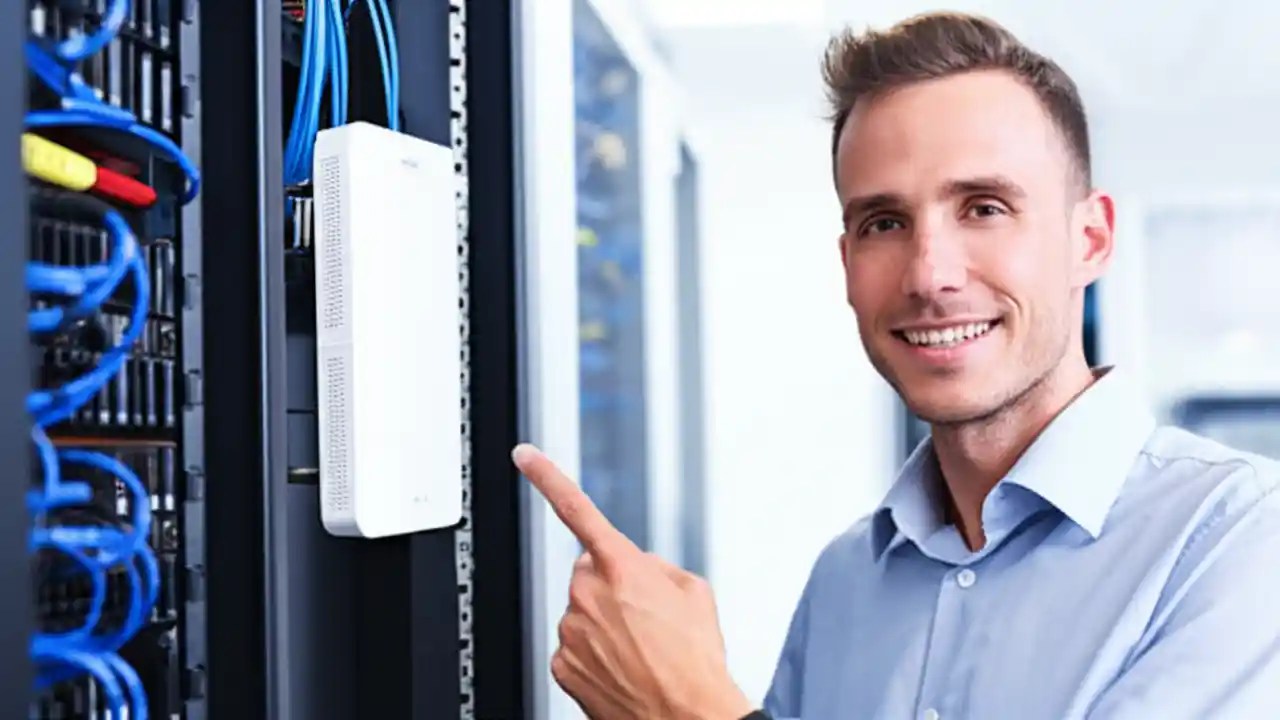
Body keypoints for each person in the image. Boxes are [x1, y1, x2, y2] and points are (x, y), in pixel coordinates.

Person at [511, 11, 1280, 720]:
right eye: (884, 222)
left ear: (1090, 240)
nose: (928, 274)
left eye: (984, 207)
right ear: (847, 263)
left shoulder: (1237, 540)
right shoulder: (846, 583)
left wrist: (690, 709)